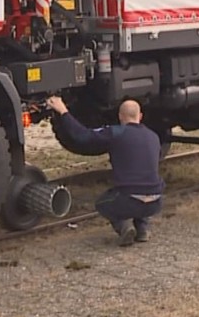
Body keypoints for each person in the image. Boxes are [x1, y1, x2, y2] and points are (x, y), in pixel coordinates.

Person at [45, 96, 164, 246]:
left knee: (103, 203)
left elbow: (82, 136)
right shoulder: (153, 136)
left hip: (130, 200)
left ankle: (125, 227)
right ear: (140, 116)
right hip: (156, 202)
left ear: (120, 116)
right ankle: (142, 229)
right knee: (141, 187)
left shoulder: (116, 133)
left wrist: (63, 111)